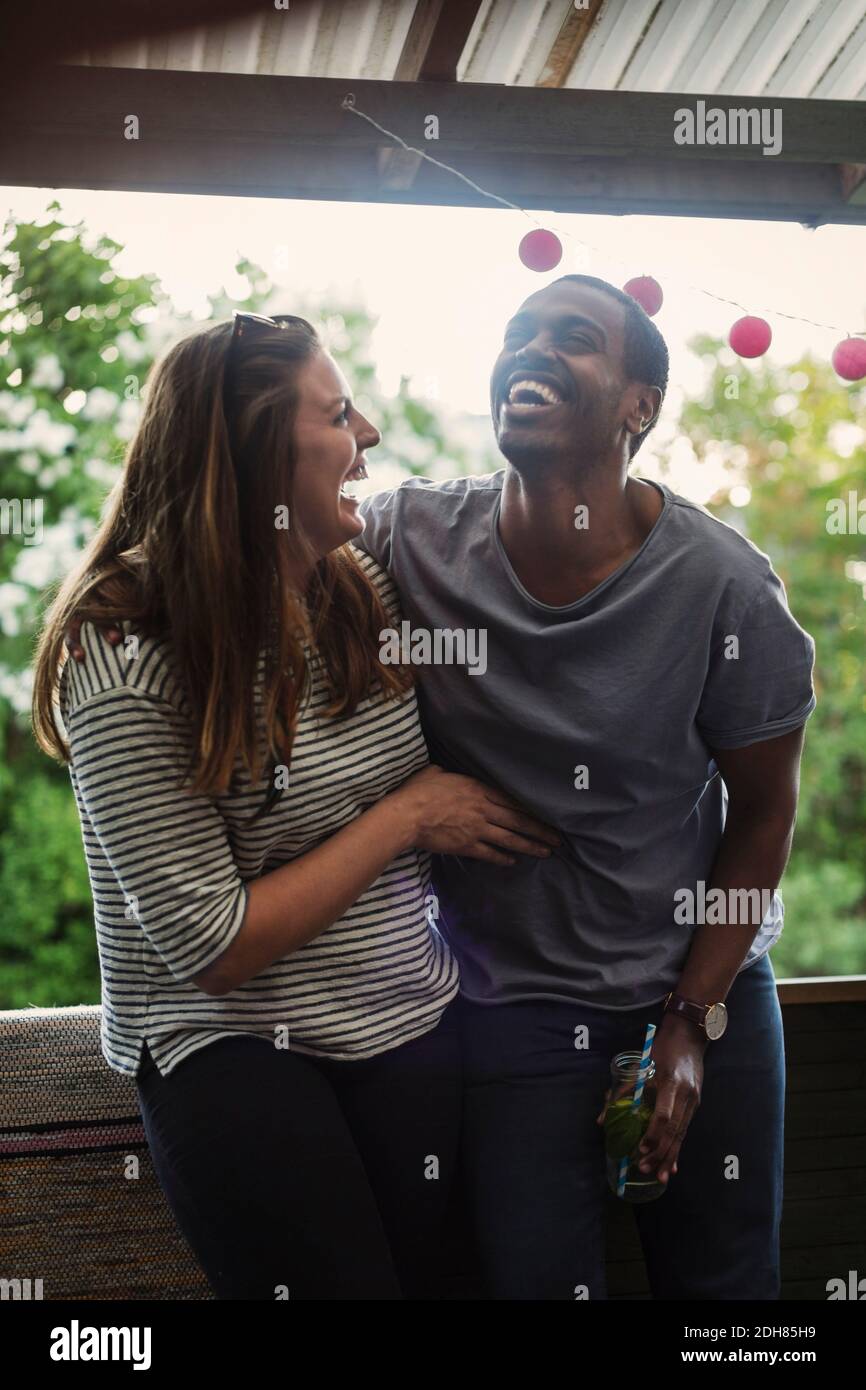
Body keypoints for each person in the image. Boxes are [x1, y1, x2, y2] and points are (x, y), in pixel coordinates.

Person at [33, 311, 559, 1301]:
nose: (367, 435)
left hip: (408, 1011)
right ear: (251, 452)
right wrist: (407, 817)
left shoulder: (353, 586)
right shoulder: (119, 645)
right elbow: (214, 944)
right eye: (337, 414)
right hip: (227, 1040)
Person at [353, 274, 816, 1300]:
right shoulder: (409, 539)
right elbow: (256, 551)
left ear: (635, 406)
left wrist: (689, 1023)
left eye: (572, 338)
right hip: (512, 1003)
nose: (531, 350)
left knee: (727, 1297)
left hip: (701, 982)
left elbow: (764, 814)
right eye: (518, 332)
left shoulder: (724, 589)